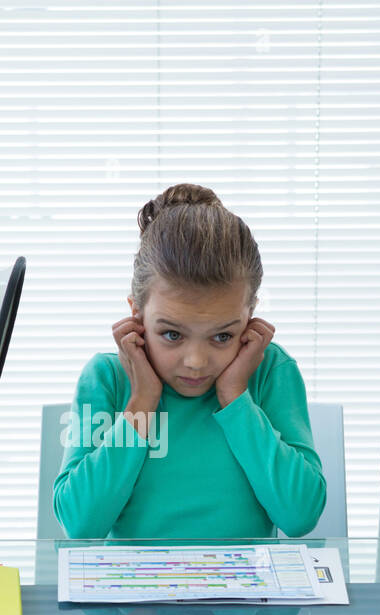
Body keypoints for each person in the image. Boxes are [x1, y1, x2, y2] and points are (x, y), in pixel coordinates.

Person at [53, 183, 326, 539]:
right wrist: (142, 403)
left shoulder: (268, 371)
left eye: (222, 336)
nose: (196, 362)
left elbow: (299, 515)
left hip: (241, 591)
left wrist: (236, 399)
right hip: (132, 591)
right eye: (172, 335)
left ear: (250, 315)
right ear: (137, 314)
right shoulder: (108, 378)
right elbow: (80, 523)